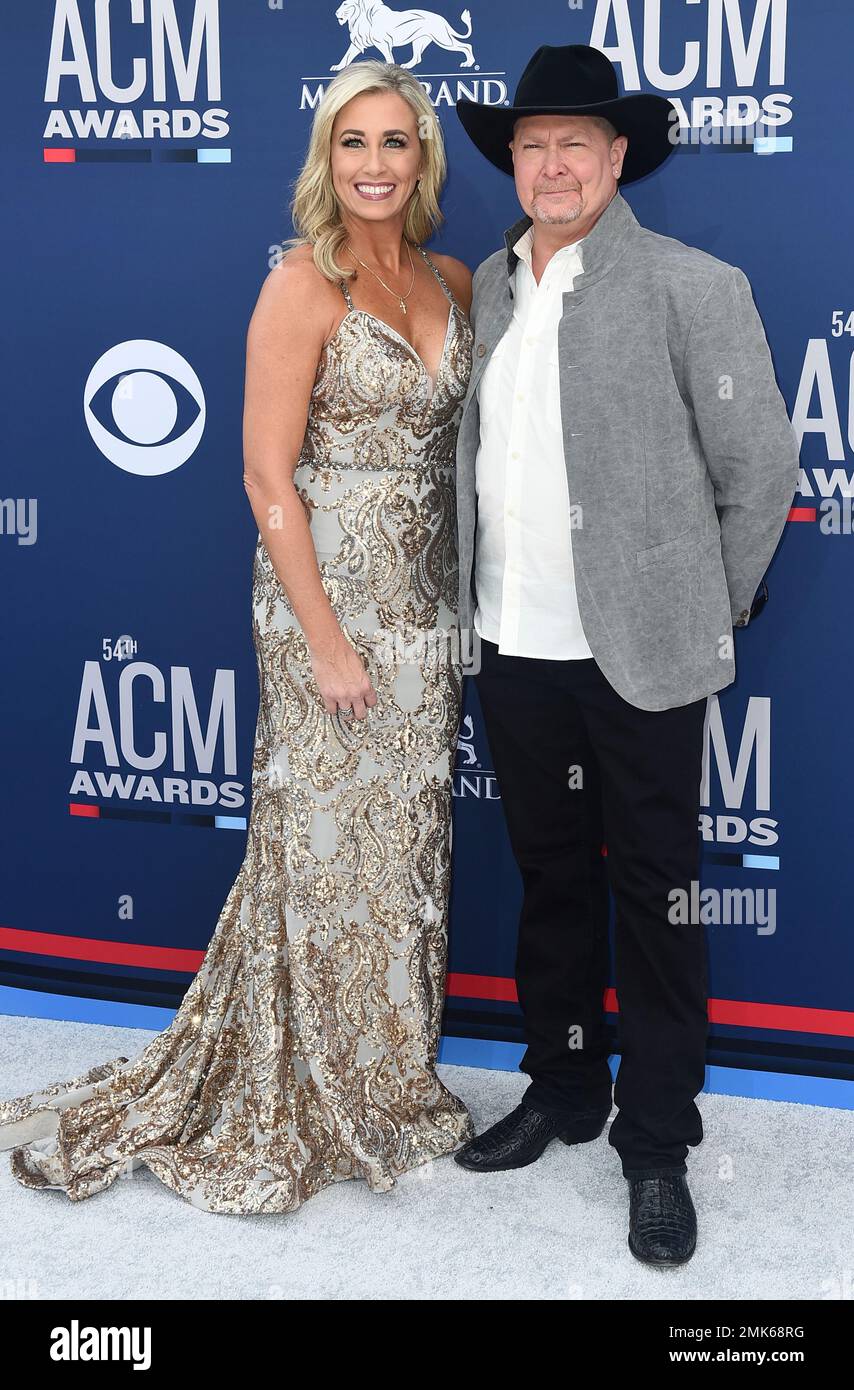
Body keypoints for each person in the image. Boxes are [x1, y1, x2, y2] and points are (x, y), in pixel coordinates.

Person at [0, 60, 476, 1214]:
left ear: (422, 159)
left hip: (428, 604)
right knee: (316, 851)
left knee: (403, 849)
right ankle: (303, 1085)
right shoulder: (297, 286)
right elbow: (267, 474)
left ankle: (386, 1077)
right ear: (326, 157)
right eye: (351, 141)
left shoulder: (454, 277)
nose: (373, 163)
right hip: (326, 599)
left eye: (394, 142)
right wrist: (322, 639)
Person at [451, 44, 800, 1266]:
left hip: (641, 656)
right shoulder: (486, 287)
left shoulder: (693, 285)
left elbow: (760, 476)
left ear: (614, 160)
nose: (551, 165)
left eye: (575, 146)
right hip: (510, 640)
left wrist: (706, 608)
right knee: (550, 881)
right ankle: (561, 1085)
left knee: (655, 896)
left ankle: (654, 1141)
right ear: (512, 159)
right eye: (531, 145)